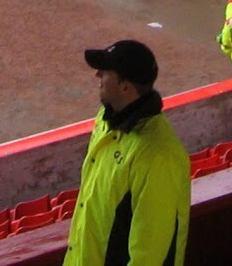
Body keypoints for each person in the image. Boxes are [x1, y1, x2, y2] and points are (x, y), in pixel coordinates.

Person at [65, 40, 189, 266]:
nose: (98, 75)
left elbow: (148, 254)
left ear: (126, 87)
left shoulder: (157, 155)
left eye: (105, 72)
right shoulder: (106, 120)